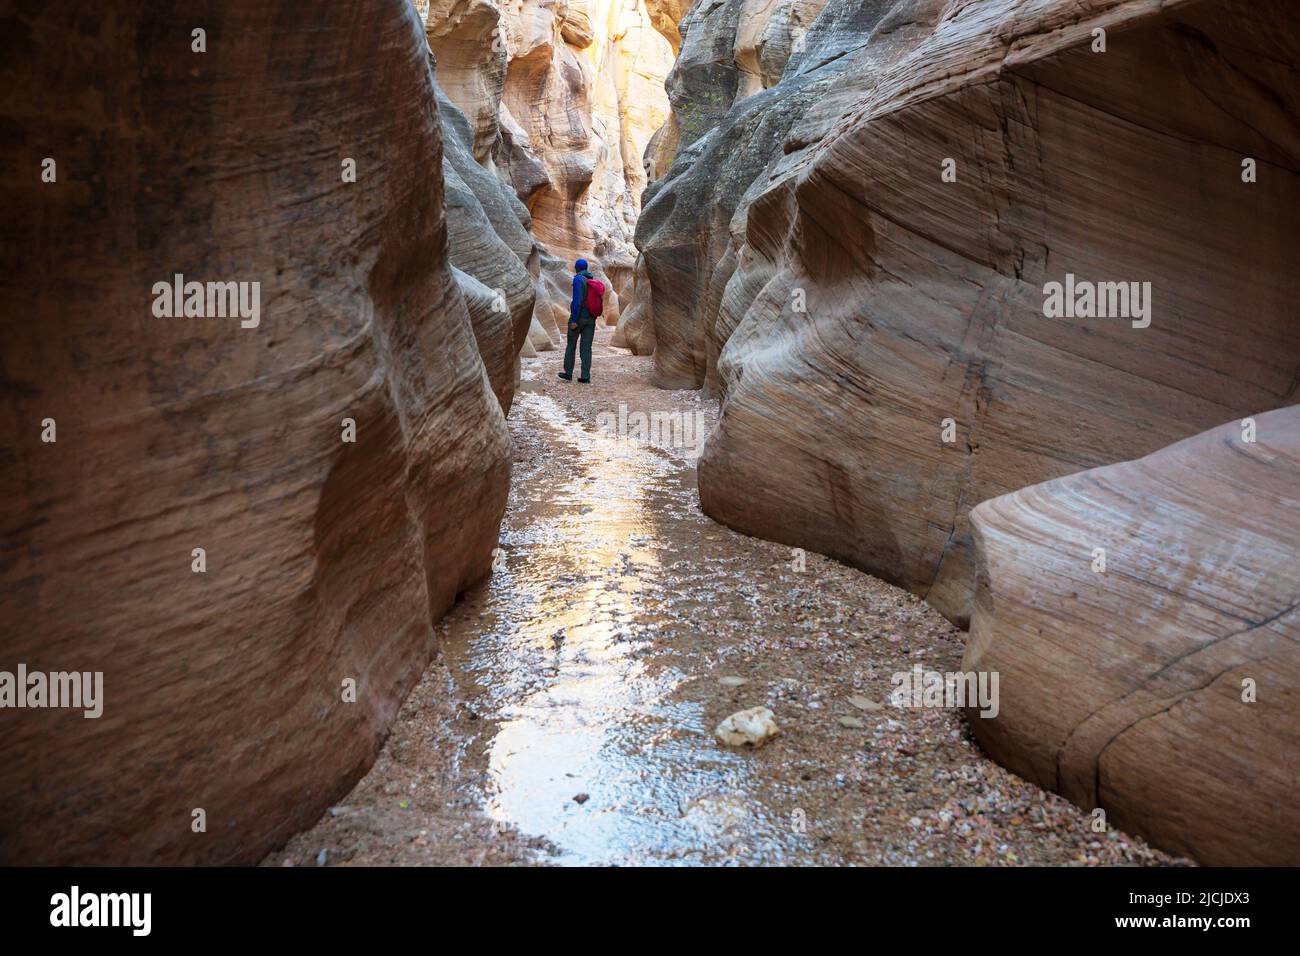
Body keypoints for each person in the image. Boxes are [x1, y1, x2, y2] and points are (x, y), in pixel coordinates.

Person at [558, 259, 596, 384]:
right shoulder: (591, 280)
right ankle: (585, 376)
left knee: (571, 345)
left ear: (576, 268)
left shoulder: (578, 279)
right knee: (586, 348)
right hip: (591, 318)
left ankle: (568, 373)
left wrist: (574, 320)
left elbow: (577, 301)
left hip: (579, 318)